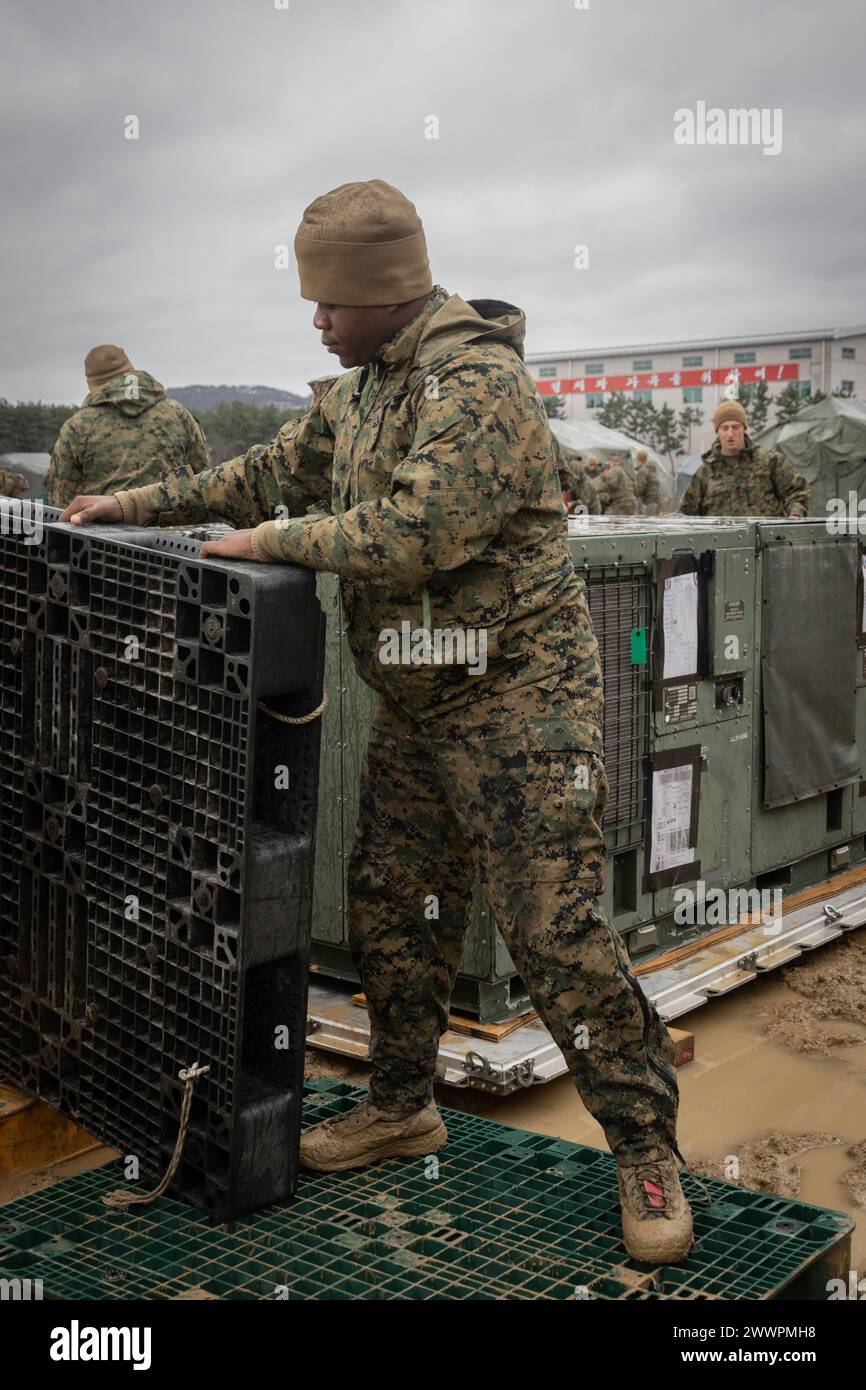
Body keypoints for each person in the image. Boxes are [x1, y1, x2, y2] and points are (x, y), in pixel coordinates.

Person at [61, 179, 698, 1264]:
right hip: (415, 696)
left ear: (386, 295)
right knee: (390, 905)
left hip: (515, 700)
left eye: (329, 305)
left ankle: (645, 1147)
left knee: (550, 928)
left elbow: (414, 533)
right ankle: (403, 1106)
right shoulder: (357, 391)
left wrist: (271, 543)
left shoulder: (475, 383)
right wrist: (133, 505)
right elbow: (264, 471)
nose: (315, 321)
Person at [45, 344, 210, 508]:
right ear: (131, 370)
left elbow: (60, 500)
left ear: (92, 384)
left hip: (103, 531)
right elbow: (203, 479)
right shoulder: (177, 413)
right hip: (173, 531)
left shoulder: (78, 426)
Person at [680, 401, 809, 517]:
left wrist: (795, 516)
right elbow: (685, 513)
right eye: (725, 428)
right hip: (721, 542)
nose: (730, 434)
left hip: (764, 541)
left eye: (735, 427)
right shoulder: (705, 473)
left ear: (744, 428)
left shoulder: (769, 462)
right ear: (718, 431)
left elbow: (797, 492)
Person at [552, 434, 601, 516]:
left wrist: (572, 503)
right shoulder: (578, 483)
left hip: (591, 513)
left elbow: (585, 502)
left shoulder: (587, 484)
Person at [634, 449, 662, 515]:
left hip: (650, 500)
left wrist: (634, 496)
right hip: (656, 498)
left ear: (639, 459)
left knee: (651, 520)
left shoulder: (642, 471)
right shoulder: (650, 468)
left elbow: (641, 486)